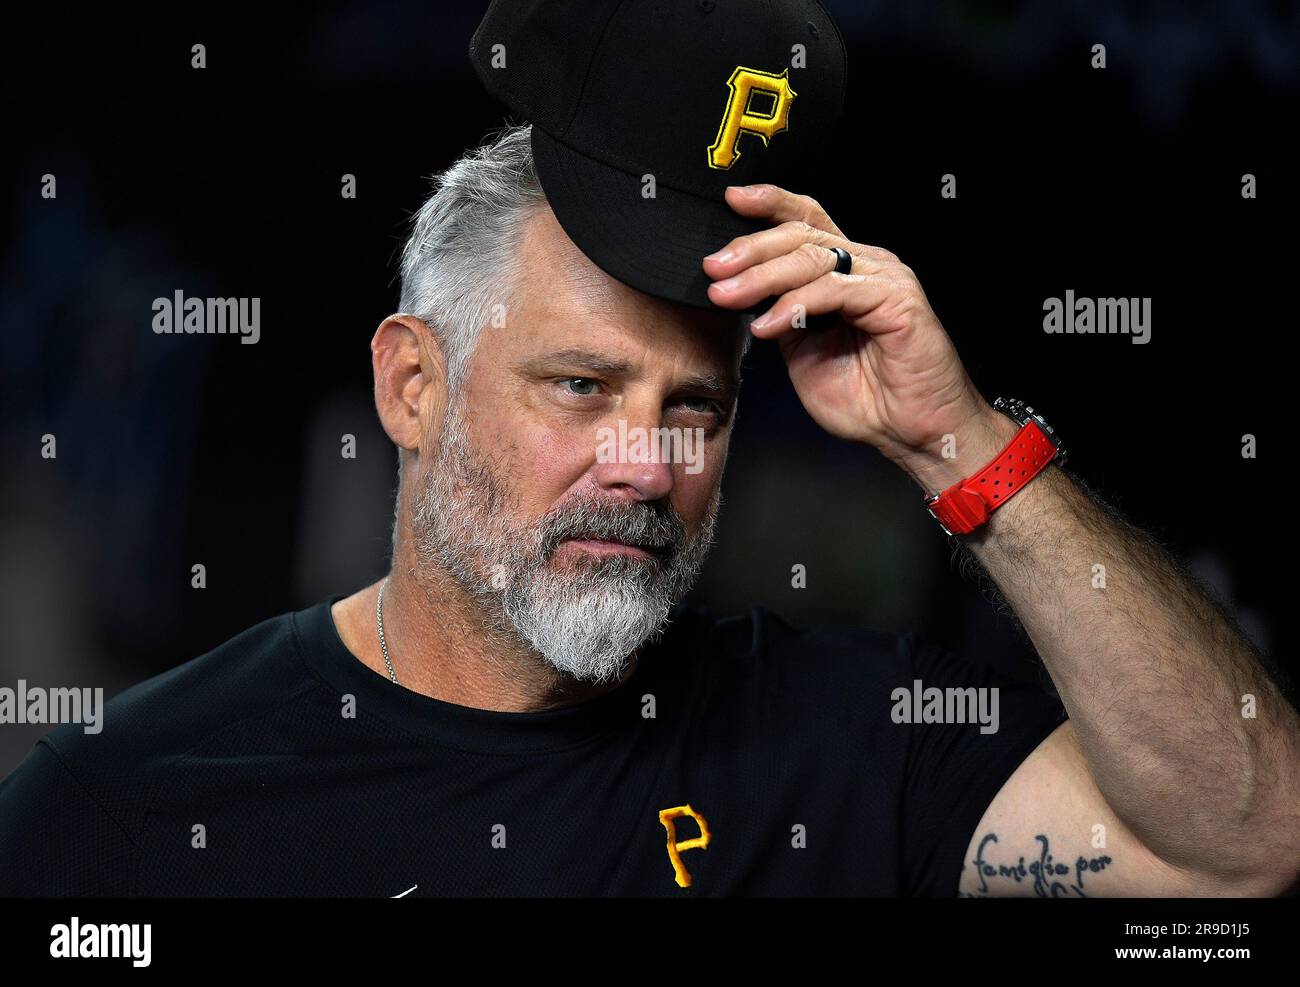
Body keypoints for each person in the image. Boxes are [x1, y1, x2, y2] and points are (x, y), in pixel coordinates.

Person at [2, 0, 1297, 897]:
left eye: (697, 408)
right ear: (411, 386)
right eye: (579, 385)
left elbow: (1244, 845)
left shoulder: (855, 747)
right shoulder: (132, 806)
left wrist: (962, 440)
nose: (645, 462)